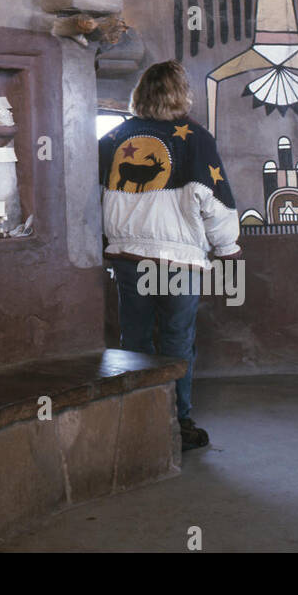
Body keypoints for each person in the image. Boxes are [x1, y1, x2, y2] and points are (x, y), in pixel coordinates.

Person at [98, 60, 240, 451]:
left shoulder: (113, 138)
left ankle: (135, 422)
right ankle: (177, 423)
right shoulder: (195, 138)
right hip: (177, 261)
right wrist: (227, 246)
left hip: (127, 257)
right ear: (181, 94)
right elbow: (214, 200)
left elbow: (91, 200)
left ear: (140, 94)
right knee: (176, 340)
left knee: (135, 339)